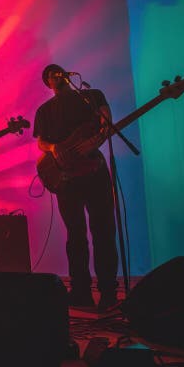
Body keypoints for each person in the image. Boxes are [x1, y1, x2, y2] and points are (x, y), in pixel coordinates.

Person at [33, 64, 118, 311]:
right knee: (76, 234)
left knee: (103, 230)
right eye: (49, 74)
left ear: (67, 75)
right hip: (66, 177)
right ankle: (81, 291)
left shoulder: (92, 96)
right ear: (47, 83)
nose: (54, 75)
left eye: (58, 71)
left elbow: (106, 124)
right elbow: (41, 141)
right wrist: (53, 149)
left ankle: (108, 291)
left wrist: (96, 142)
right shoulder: (45, 110)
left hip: (94, 170)